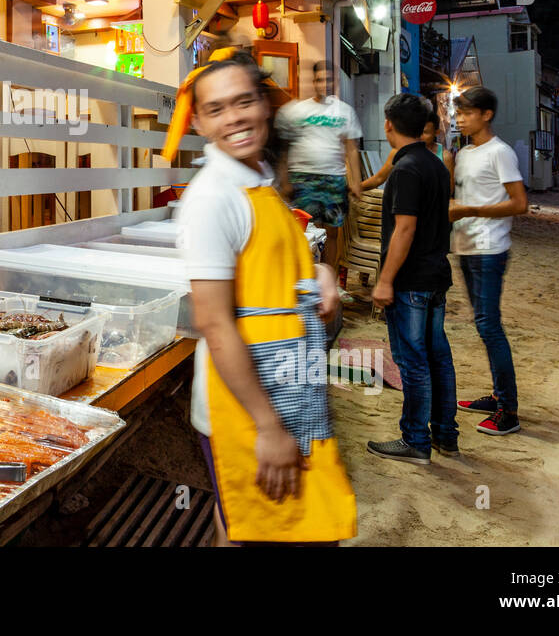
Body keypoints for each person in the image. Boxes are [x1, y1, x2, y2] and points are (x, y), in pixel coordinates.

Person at [165, 48, 355, 545]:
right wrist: (268, 427)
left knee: (242, 528)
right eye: (217, 109)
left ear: (265, 106)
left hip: (288, 388)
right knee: (280, 533)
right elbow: (215, 323)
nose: (235, 118)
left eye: (244, 101)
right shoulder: (211, 198)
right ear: (200, 124)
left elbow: (268, 267)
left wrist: (321, 271)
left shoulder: (258, 180)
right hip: (248, 408)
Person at [366, 93, 457, 464]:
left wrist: (385, 280)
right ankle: (445, 434)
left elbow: (404, 230)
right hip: (435, 275)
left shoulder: (405, 170)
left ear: (388, 124)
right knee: (438, 357)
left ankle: (416, 440)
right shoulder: (435, 164)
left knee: (413, 360)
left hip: (412, 281)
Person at [449, 86, 528, 436]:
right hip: (466, 247)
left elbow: (519, 203)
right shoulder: (465, 152)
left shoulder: (501, 152)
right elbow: (457, 196)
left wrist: (470, 210)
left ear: (486, 115)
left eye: (466, 112)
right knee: (483, 326)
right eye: (459, 113)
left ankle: (508, 410)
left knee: (490, 326)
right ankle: (498, 395)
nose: (460, 118)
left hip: (490, 249)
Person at [275, 61, 363, 272]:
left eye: (329, 80)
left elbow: (351, 148)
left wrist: (356, 182)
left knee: (333, 234)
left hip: (334, 179)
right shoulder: (297, 111)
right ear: (313, 81)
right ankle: (305, 280)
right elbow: (284, 149)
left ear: (334, 82)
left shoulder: (344, 111)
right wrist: (284, 180)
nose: (324, 84)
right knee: (305, 233)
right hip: (303, 180)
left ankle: (329, 280)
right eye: (320, 79)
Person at [361, 109, 454, 191]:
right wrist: (354, 188)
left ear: (436, 132)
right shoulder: (399, 152)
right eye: (417, 130)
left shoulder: (445, 157)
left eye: (425, 132)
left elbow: (449, 190)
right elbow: (379, 178)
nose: (419, 136)